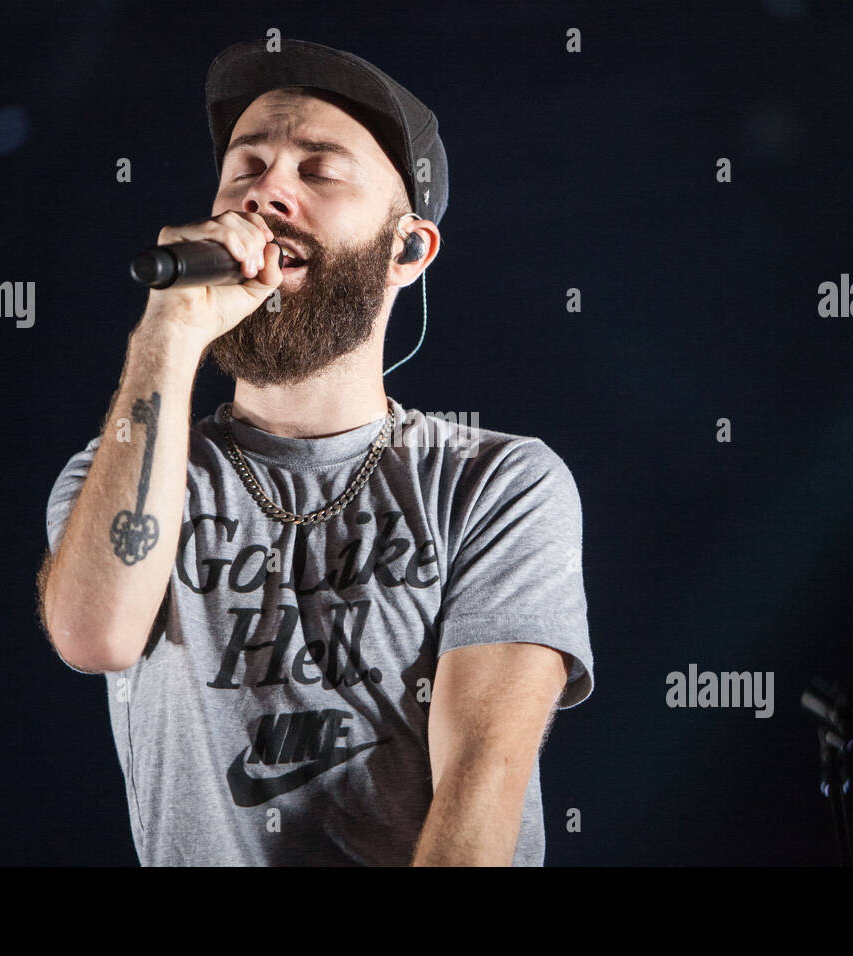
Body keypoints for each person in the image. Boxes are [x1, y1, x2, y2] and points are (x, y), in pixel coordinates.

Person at [36, 38, 594, 866]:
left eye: (318, 169)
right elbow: (93, 636)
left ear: (409, 249)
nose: (267, 193)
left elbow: (479, 795)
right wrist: (168, 331)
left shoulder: (497, 483)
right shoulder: (128, 470)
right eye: (246, 166)